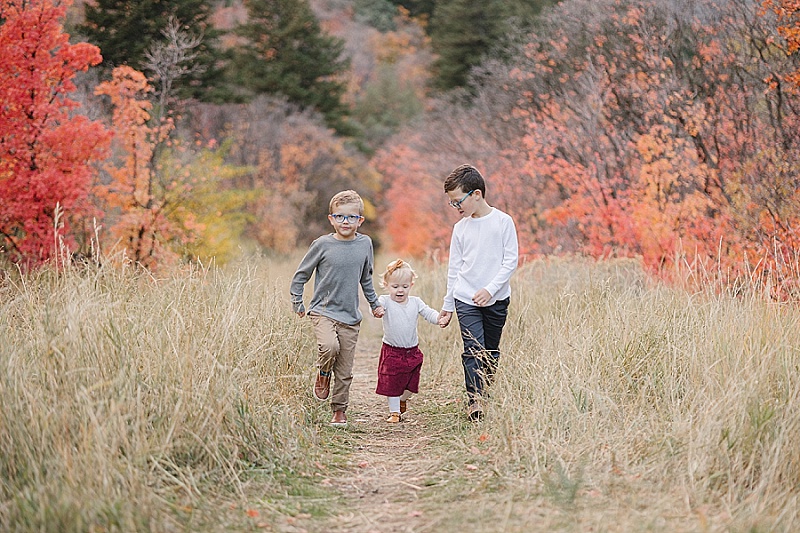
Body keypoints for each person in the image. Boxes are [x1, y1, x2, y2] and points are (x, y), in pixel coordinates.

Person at [290, 190, 385, 427]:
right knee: (329, 346)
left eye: (351, 217)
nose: (345, 222)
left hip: (350, 316)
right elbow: (301, 275)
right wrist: (297, 301)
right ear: (331, 219)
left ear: (360, 220)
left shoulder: (364, 244)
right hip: (322, 310)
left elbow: (366, 279)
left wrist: (374, 304)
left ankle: (339, 410)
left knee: (344, 369)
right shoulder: (322, 244)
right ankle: (323, 374)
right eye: (340, 216)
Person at [437, 164, 519, 422]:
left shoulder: (503, 222)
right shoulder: (460, 228)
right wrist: (448, 305)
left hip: (496, 299)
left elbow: (510, 261)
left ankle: (485, 387)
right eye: (452, 203)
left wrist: (490, 289)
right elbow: (454, 269)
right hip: (466, 298)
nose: (455, 207)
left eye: (457, 201)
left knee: (491, 351)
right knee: (473, 348)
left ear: (476, 194)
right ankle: (476, 400)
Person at [375, 259, 440, 423]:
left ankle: (403, 399)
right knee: (392, 382)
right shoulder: (385, 301)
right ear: (387, 285)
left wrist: (439, 318)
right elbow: (375, 305)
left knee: (411, 385)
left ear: (411, 285)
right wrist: (377, 310)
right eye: (395, 286)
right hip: (392, 351)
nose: (400, 290)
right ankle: (394, 412)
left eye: (404, 286)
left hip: (412, 351)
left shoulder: (415, 302)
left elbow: (428, 312)